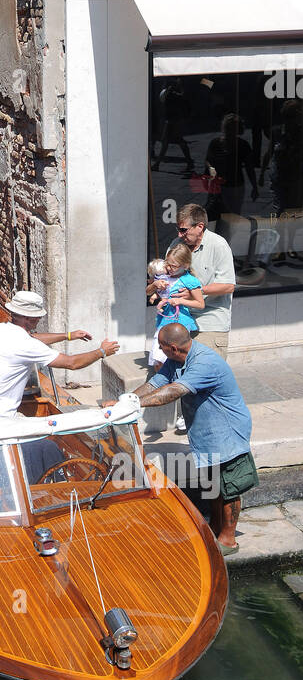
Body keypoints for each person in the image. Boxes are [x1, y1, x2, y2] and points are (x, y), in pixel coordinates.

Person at [133, 322, 258, 556]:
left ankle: (228, 540)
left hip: (227, 432)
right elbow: (156, 383)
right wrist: (127, 399)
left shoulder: (204, 363)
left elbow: (173, 391)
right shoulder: (177, 359)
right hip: (207, 434)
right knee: (213, 485)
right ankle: (215, 527)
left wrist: (135, 405)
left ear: (172, 347)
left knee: (230, 487)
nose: (159, 351)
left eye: (161, 346)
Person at [0, 289, 119, 423]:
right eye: (38, 316)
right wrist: (102, 352)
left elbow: (32, 339)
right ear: (29, 318)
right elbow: (72, 363)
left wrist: (68, 335)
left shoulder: (0, 329)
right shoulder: (26, 345)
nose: (40, 318)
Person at [174, 203, 235, 360]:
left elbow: (228, 286)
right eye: (178, 229)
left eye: (184, 230)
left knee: (206, 377)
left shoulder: (218, 245)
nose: (180, 235)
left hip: (210, 322)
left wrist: (196, 292)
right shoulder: (176, 245)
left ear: (199, 227)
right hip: (181, 320)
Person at [146, 242, 204, 366]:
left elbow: (200, 304)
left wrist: (180, 301)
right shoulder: (164, 276)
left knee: (173, 357)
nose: (170, 269)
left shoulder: (190, 280)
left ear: (186, 265)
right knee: (158, 356)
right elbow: (147, 292)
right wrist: (154, 285)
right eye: (168, 265)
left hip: (180, 322)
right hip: (164, 321)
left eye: (174, 266)